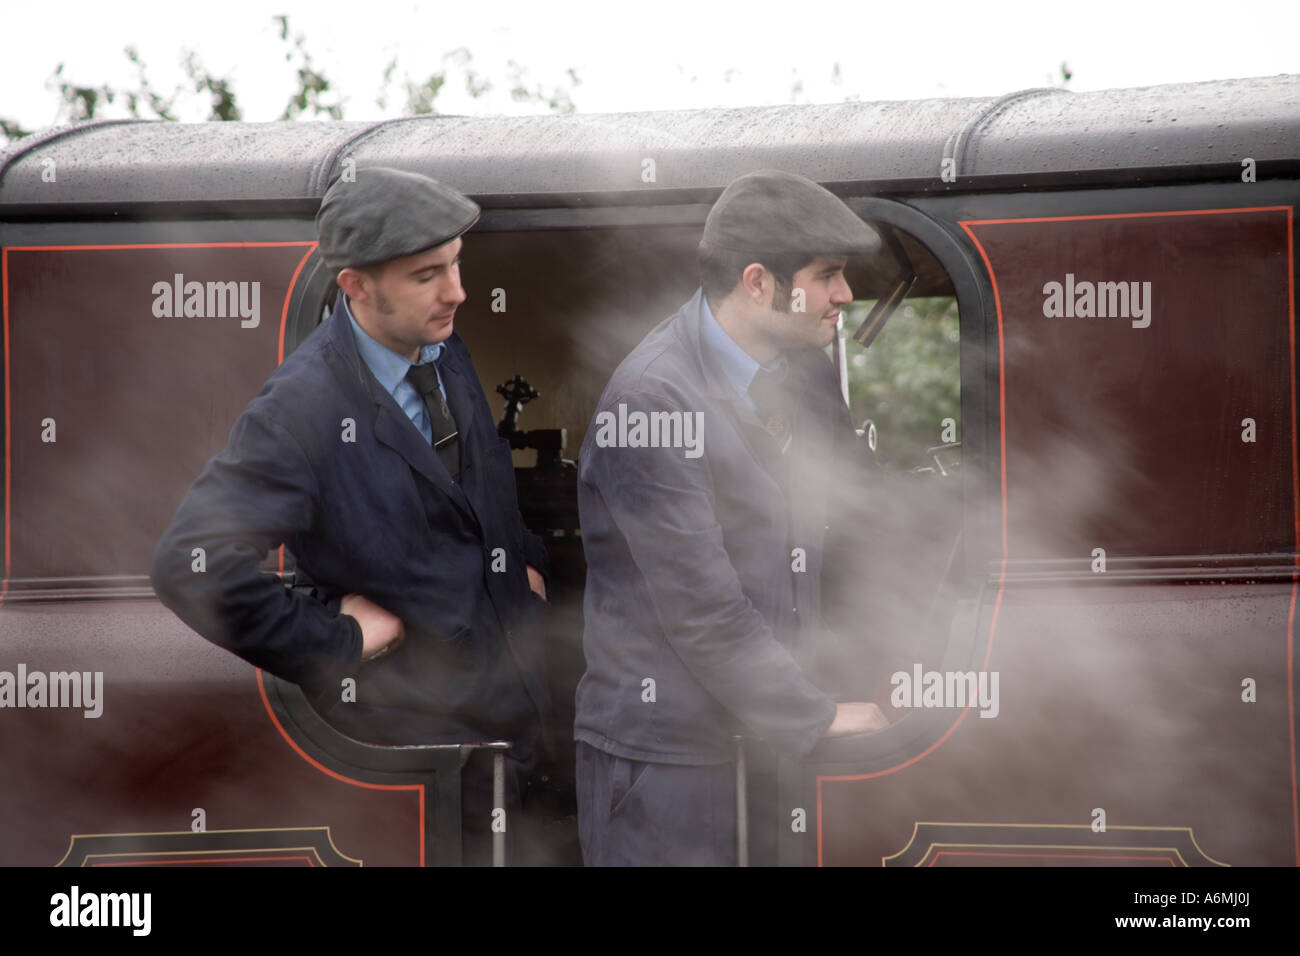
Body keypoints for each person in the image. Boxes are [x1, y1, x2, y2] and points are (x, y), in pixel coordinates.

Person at [150, 166, 550, 865]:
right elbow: (189, 564)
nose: (457, 291)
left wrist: (523, 565)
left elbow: (482, 479)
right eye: (428, 274)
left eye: (456, 265)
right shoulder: (299, 412)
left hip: (515, 715)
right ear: (356, 286)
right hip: (419, 755)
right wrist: (336, 640)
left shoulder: (442, 345)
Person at [574, 169, 891, 866]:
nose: (843, 294)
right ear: (758, 282)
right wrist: (813, 713)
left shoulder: (803, 367)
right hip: (671, 770)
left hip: (768, 739)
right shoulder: (649, 404)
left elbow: (854, 513)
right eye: (828, 273)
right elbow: (701, 606)